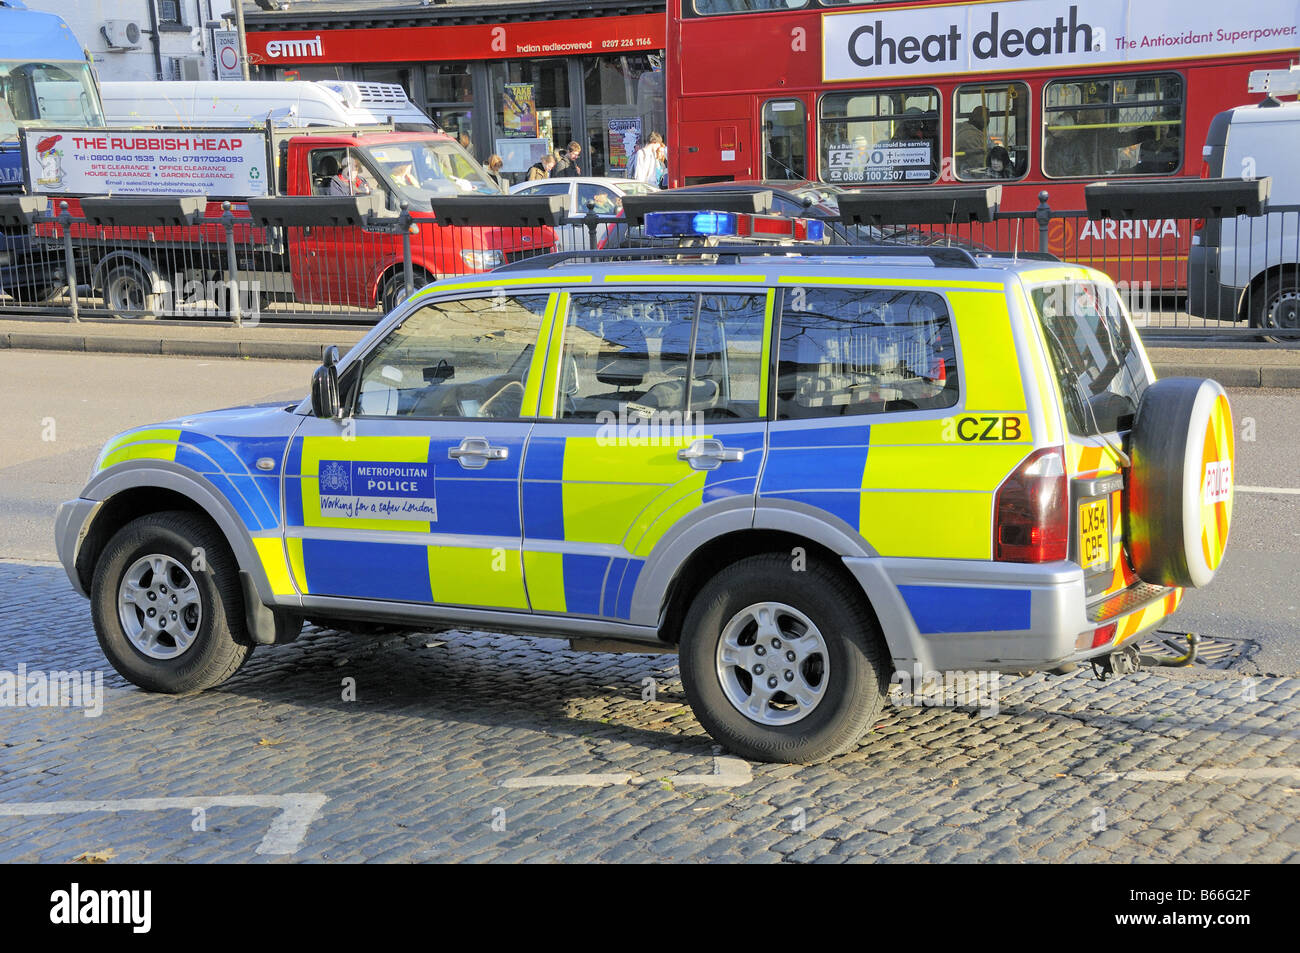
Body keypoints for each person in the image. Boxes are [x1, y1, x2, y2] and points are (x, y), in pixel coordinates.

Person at [955, 105, 989, 174]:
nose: (988, 121)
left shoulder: (971, 132)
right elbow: (979, 165)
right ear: (976, 118)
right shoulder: (970, 136)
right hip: (967, 175)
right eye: (986, 118)